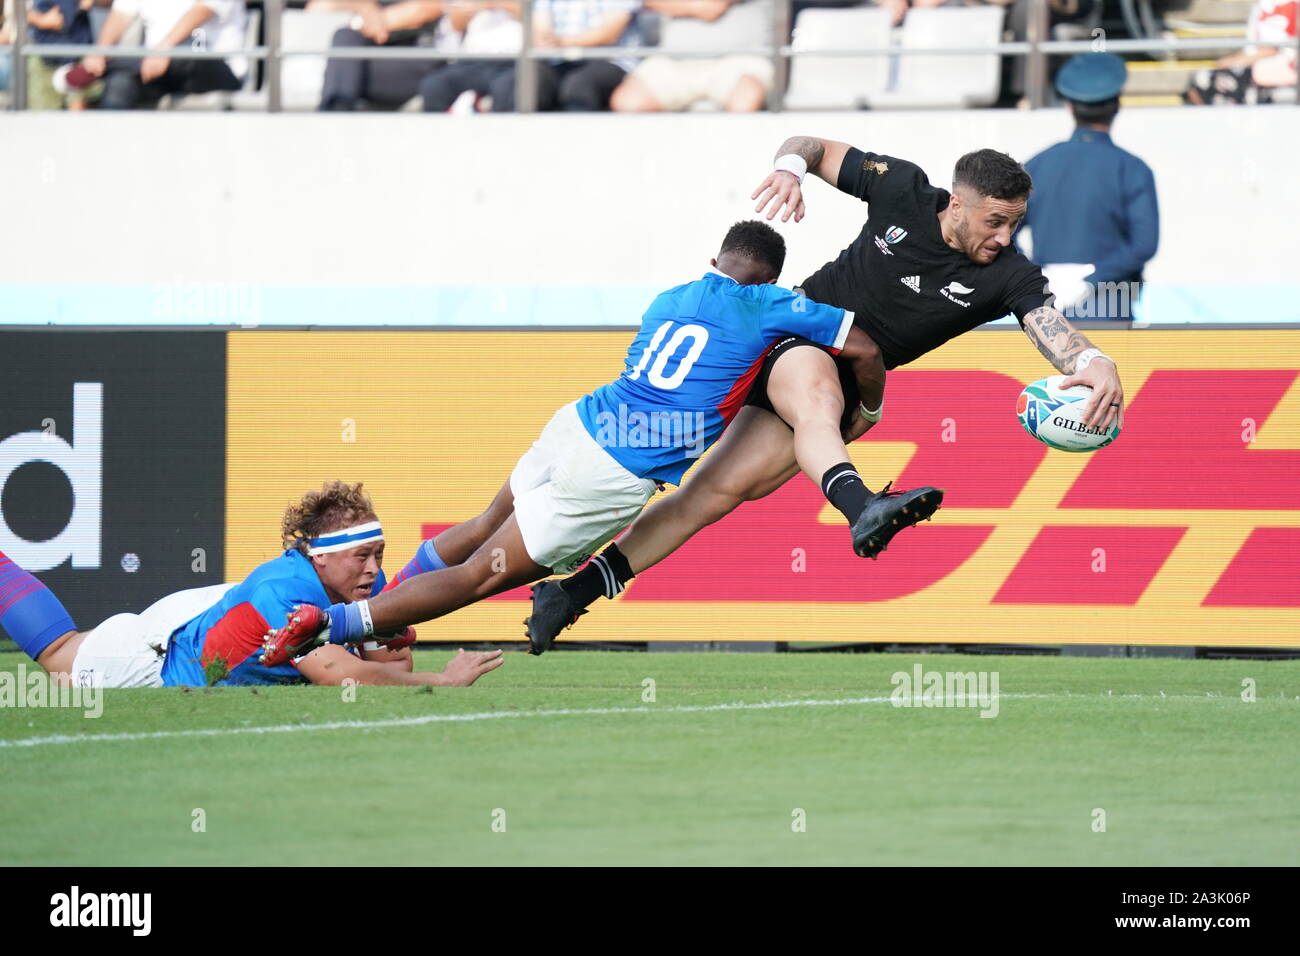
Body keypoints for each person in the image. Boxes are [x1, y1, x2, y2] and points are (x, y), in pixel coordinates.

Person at [523, 135, 1127, 652]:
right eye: (995, 221)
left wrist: (1095, 362)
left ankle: (573, 590)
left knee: (715, 494)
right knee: (818, 397)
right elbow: (809, 147)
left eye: (1015, 221)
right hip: (790, 338)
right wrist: (789, 169)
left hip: (838, 383)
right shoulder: (904, 190)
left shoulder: (1008, 275)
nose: (1005, 235)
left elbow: (1051, 327)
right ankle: (862, 506)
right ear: (955, 203)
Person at [259, 220, 934, 666]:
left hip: (577, 425)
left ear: (713, 262)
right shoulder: (769, 304)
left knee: (485, 523)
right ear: (770, 279)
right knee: (475, 580)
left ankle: (388, 607)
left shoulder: (670, 297)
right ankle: (332, 626)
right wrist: (867, 404)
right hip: (613, 472)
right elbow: (865, 345)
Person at [1, 481, 503, 688]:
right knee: (60, 658)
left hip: (209, 613)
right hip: (152, 660)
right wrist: (441, 681)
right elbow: (336, 671)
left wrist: (494, 517)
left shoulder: (350, 582)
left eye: (378, 555)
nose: (374, 568)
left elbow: (391, 655)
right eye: (362, 556)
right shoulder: (288, 592)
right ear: (321, 557)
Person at [1020, 53, 1158, 321]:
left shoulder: (1037, 165)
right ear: (1117, 105)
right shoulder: (1132, 169)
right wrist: (1092, 276)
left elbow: (1001, 229)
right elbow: (1144, 245)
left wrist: (1039, 275)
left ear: (1069, 106)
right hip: (1109, 298)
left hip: (1046, 299)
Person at [609, 0, 773, 114]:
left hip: (741, 61)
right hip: (674, 61)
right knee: (628, 102)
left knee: (745, 101)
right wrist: (693, 6)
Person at [83, 0, 249, 109]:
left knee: (188, 56)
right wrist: (100, 51)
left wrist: (163, 50)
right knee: (120, 82)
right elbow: (120, 15)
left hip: (216, 68)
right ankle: (110, 154)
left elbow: (202, 10)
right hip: (154, 68)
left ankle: (92, 69)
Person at [489, 0, 642, 112]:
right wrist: (548, 40)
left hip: (608, 60)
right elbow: (541, 27)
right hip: (557, 60)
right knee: (522, 82)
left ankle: (580, 148)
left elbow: (609, 34)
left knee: (579, 86)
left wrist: (562, 42)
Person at [315, 0, 457, 111]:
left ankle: (335, 112)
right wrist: (363, 6)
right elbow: (318, 8)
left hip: (428, 63)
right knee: (345, 36)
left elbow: (423, 9)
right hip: (381, 60)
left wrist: (364, 20)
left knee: (345, 69)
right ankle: (336, 109)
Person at [1184, 0, 1297, 105]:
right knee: (1202, 82)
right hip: (1261, 67)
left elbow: (1270, 50)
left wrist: (1231, 61)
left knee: (1202, 81)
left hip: (1272, 70)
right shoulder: (1266, 4)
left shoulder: (1281, 4)